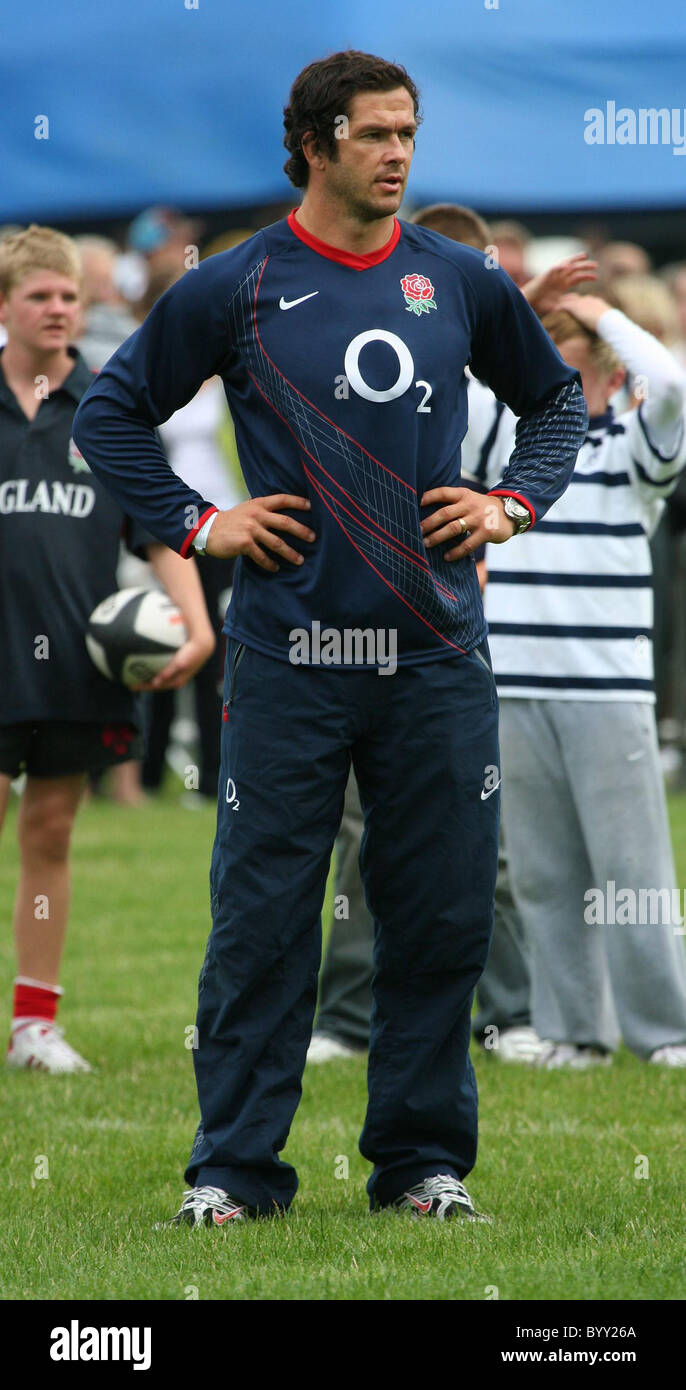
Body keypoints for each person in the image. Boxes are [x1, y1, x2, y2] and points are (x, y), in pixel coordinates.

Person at [73, 50, 587, 1225]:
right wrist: (203, 523)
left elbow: (553, 402)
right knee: (260, 921)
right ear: (312, 143)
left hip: (435, 661)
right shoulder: (238, 283)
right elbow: (112, 411)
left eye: (408, 132)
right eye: (372, 134)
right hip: (288, 662)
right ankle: (234, 1173)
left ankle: (419, 1166)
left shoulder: (457, 279)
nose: (397, 152)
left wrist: (509, 501)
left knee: (442, 914)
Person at [309, 204, 597, 1069]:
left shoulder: (497, 373)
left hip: (467, 624)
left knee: (480, 824)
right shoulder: (375, 368)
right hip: (365, 623)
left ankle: (505, 1013)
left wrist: (494, 516)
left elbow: (542, 420)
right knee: (362, 832)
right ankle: (348, 1018)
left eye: (489, 275)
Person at [0, 225, 216, 1073]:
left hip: (77, 665)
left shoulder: (107, 408)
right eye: (40, 296)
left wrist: (198, 626)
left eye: (70, 298)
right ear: (7, 306)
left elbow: (167, 532)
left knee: (50, 832)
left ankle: (34, 1027)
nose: (58, 310)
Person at [484, 293, 686, 1067]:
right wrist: (524, 309)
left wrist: (602, 315)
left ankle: (665, 1031)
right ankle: (574, 1032)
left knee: (632, 871)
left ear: (601, 361)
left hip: (607, 691)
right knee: (542, 873)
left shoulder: (635, 448)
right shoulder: (509, 440)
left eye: (558, 342)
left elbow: (668, 384)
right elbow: (466, 382)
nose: (540, 352)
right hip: (516, 682)